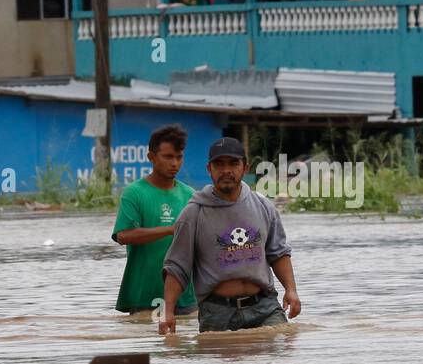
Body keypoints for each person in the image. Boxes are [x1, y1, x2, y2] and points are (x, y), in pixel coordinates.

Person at [159, 136, 301, 334]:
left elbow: (278, 253)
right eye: (219, 164)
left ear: (245, 168)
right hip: (217, 312)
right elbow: (177, 267)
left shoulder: (263, 206)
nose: (226, 170)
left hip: (265, 307)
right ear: (209, 169)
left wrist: (291, 290)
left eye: (233, 163)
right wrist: (168, 311)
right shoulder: (194, 213)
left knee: (281, 355)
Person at [111, 124, 197, 317]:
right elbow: (123, 235)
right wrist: (169, 230)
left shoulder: (190, 195)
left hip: (186, 297)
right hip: (144, 296)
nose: (174, 163)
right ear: (151, 157)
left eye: (179, 157)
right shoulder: (134, 193)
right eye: (168, 157)